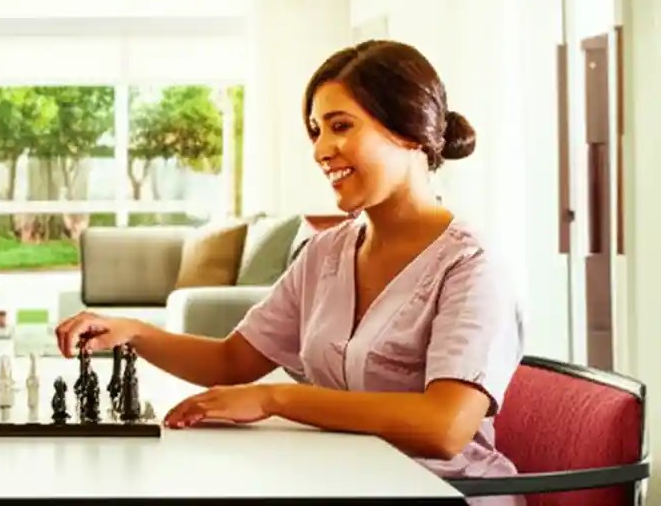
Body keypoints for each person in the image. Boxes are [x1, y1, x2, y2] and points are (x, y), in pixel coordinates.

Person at [56, 40, 524, 505]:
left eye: (340, 126)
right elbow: (233, 361)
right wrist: (133, 332)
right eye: (315, 131)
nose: (322, 149)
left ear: (410, 130)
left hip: (445, 494)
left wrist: (275, 399)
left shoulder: (470, 265)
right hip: (342, 484)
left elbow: (444, 427)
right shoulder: (327, 253)